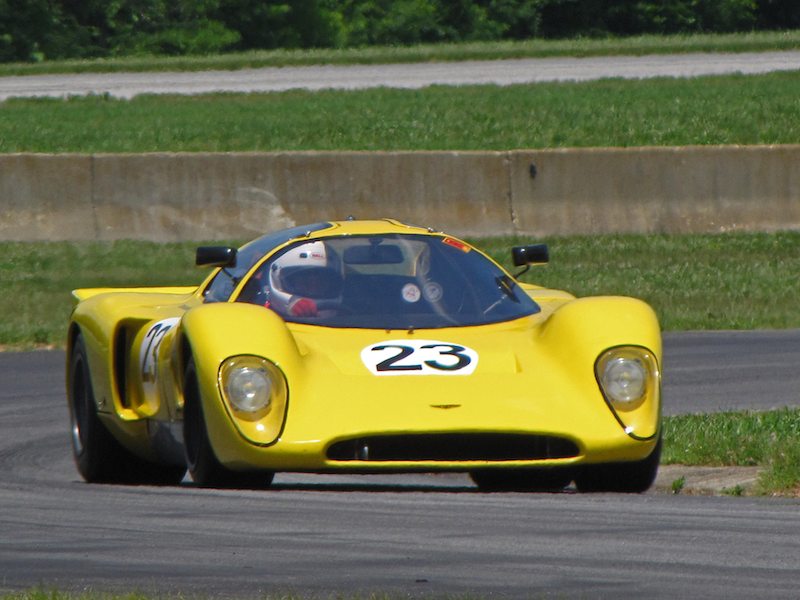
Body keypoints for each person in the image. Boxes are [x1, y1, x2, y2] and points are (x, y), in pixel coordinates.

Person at [263, 241, 343, 318]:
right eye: (305, 282)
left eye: (321, 282)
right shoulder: (261, 318)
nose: (313, 288)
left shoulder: (348, 319)